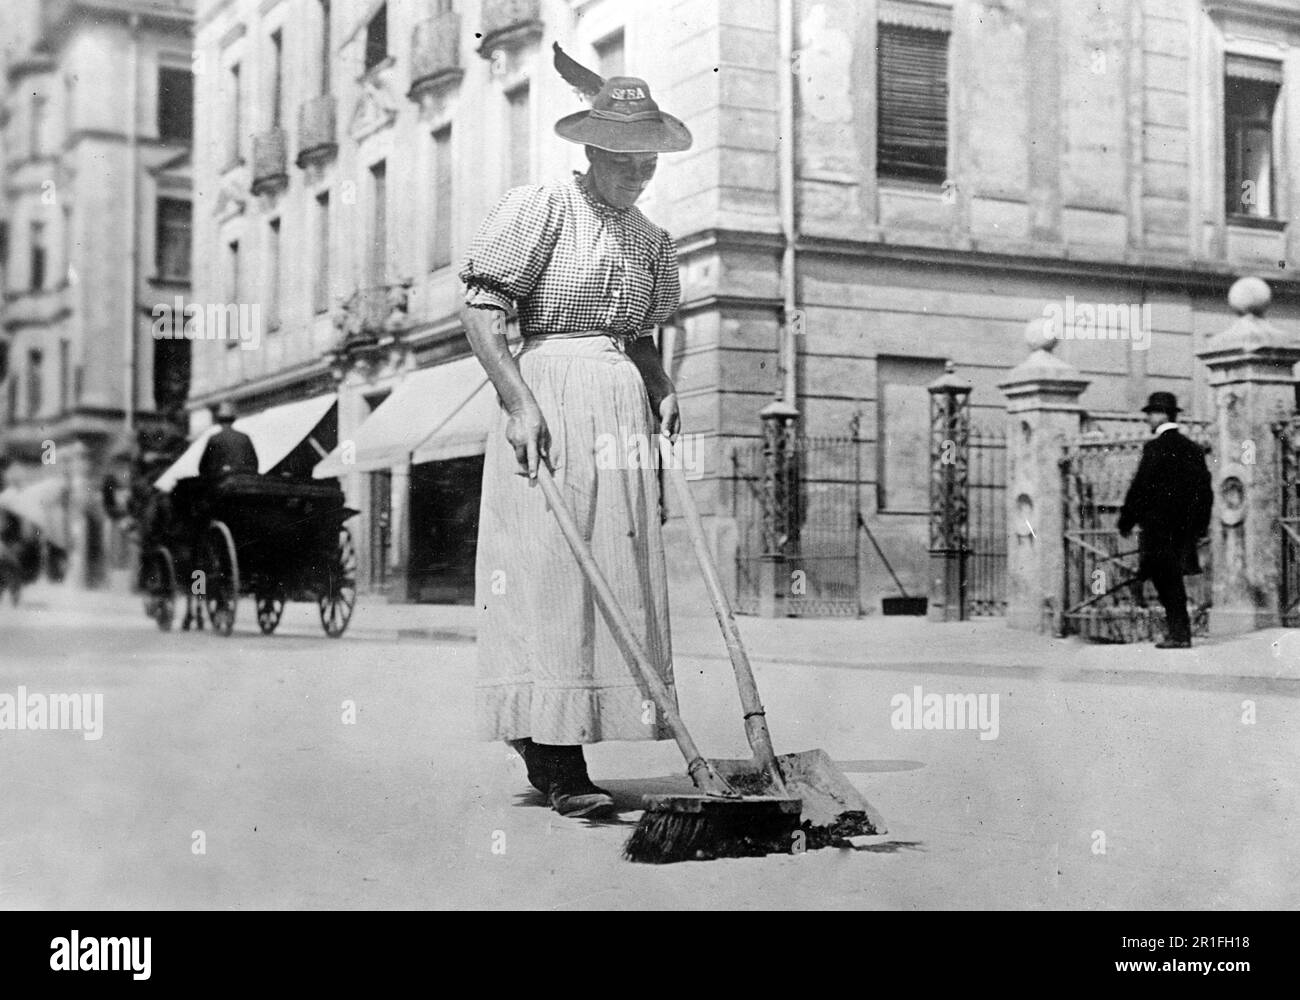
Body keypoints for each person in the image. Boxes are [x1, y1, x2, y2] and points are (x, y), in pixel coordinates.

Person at [459, 65, 692, 817]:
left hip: (619, 401)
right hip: (551, 395)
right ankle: (555, 758)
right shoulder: (543, 209)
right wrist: (519, 401)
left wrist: (660, 386)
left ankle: (567, 733)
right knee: (554, 567)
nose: (636, 175)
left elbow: (641, 336)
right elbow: (482, 311)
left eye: (647, 162)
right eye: (622, 161)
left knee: (616, 566)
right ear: (591, 151)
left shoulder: (653, 242)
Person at [1117, 392, 1213, 648]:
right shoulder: (1192, 448)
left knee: (1165, 580)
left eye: (1150, 413)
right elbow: (1205, 490)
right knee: (1172, 579)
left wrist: (1127, 519)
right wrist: (1199, 526)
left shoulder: (1155, 447)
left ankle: (1179, 635)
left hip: (1158, 528)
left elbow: (1141, 487)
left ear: (1161, 415)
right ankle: (1179, 633)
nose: (1148, 418)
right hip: (1183, 528)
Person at [199, 401, 258, 480]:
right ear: (233, 420)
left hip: (223, 481)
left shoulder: (214, 438)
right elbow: (255, 463)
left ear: (219, 421)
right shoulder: (245, 437)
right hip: (246, 480)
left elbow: (203, 467)